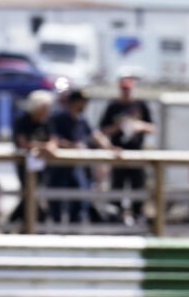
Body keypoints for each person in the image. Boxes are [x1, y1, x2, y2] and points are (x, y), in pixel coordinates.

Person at [47, 88, 112, 224]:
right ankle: (55, 233)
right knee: (56, 203)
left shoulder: (81, 119)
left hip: (76, 167)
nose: (85, 105)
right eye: (82, 102)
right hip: (59, 167)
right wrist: (71, 146)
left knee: (79, 200)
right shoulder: (59, 117)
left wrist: (110, 147)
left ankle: (74, 232)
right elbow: (54, 138)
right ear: (74, 102)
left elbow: (95, 135)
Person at [99, 73, 155, 223]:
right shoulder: (113, 106)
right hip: (118, 153)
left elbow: (151, 127)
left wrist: (138, 126)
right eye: (124, 89)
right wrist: (118, 127)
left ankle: (138, 217)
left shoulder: (140, 105)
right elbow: (102, 130)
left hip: (137, 153)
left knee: (138, 186)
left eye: (129, 89)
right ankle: (115, 218)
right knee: (117, 186)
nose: (126, 92)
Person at [9, 89, 58, 226]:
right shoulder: (23, 119)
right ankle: (15, 222)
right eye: (45, 108)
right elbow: (22, 142)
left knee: (34, 194)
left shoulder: (46, 122)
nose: (47, 111)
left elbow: (53, 140)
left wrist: (49, 147)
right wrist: (43, 147)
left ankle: (15, 223)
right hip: (25, 164)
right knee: (29, 194)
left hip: (41, 164)